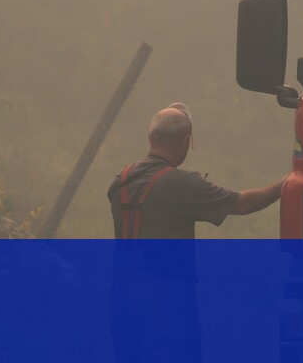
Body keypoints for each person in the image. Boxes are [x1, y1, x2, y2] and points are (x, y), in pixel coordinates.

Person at [107, 103, 289, 362]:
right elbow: (245, 203)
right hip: (167, 303)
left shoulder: (119, 181)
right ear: (186, 141)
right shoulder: (183, 184)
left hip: (122, 298)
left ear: (151, 137)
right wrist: (288, 181)